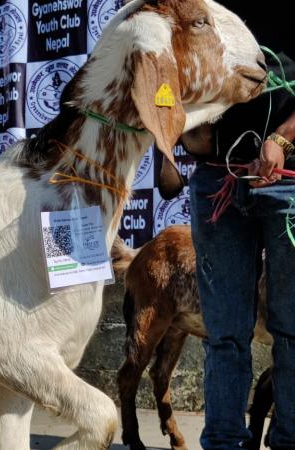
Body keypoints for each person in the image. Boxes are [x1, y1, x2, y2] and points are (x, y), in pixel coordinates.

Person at [187, 2, 295, 448]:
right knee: (225, 330)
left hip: (286, 183)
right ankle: (224, 440)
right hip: (219, 179)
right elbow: (175, 84)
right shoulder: (205, 10)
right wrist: (178, 132)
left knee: (291, 326)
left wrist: (282, 138)